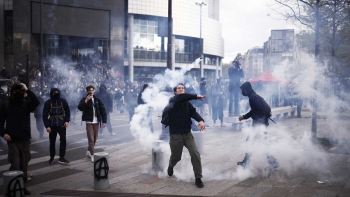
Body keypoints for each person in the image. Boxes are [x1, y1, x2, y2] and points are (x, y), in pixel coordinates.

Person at [0, 83, 40, 195]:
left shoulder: (26, 104)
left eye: (21, 92)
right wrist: (3, 134)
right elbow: (0, 123)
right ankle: (11, 185)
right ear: (11, 93)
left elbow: (36, 102)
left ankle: (21, 186)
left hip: (25, 139)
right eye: (16, 92)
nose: (18, 94)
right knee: (15, 163)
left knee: (24, 163)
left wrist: (27, 90)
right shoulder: (6, 105)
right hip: (12, 140)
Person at [165, 83, 206, 188]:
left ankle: (198, 178)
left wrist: (201, 120)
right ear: (175, 91)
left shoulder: (187, 103)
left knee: (195, 154)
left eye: (183, 88)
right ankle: (171, 165)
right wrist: (196, 96)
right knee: (176, 157)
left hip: (187, 133)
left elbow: (193, 113)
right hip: (176, 135)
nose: (181, 89)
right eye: (179, 88)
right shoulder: (173, 101)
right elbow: (182, 97)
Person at [237, 82, 279, 170]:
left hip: (259, 123)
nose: (242, 92)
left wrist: (244, 117)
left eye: (242, 90)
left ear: (246, 90)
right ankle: (246, 161)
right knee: (253, 141)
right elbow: (260, 109)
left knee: (257, 142)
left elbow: (257, 110)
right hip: (261, 123)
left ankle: (273, 162)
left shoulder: (252, 98)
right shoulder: (255, 96)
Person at [78, 85, 107, 162]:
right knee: (91, 139)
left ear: (94, 91)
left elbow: (103, 110)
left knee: (95, 138)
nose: (91, 91)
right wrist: (86, 101)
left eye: (92, 90)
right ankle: (92, 155)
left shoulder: (97, 100)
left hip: (96, 122)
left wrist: (104, 121)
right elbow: (80, 107)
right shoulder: (84, 99)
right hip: (89, 122)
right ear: (87, 91)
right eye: (89, 90)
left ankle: (88, 151)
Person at [42, 88, 71, 165]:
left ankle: (62, 157)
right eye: (54, 93)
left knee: (63, 141)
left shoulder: (63, 101)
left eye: (57, 92)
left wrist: (67, 121)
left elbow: (68, 111)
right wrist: (47, 126)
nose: (56, 94)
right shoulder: (48, 103)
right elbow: (44, 115)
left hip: (62, 123)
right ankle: (52, 157)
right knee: (52, 142)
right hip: (52, 124)